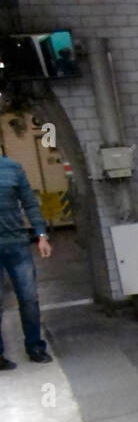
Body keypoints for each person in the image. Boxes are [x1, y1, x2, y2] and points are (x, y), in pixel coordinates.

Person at [0, 154, 52, 369]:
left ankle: (35, 347)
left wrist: (41, 235)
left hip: (18, 244)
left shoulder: (12, 168)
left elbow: (30, 204)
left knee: (29, 298)